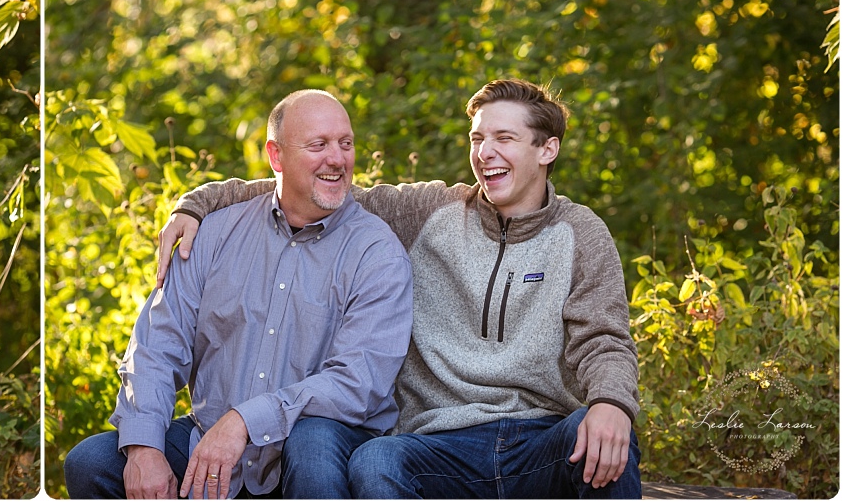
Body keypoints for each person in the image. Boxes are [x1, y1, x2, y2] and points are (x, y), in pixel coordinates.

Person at [155, 78, 643, 501]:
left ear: (546, 149)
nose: (484, 152)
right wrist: (195, 204)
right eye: (477, 139)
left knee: (602, 432)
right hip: (435, 444)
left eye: (503, 138)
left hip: (538, 437)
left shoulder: (582, 232)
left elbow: (603, 340)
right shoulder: (430, 211)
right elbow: (312, 185)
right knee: (375, 464)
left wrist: (612, 404)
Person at [64, 90, 412, 500]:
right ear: (276, 157)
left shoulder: (377, 252)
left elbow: (357, 383)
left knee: (313, 446)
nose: (338, 159)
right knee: (91, 462)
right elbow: (158, 345)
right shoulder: (214, 233)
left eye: (346, 144)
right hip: (209, 444)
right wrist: (144, 449)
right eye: (319, 145)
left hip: (314, 451)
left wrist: (245, 419)